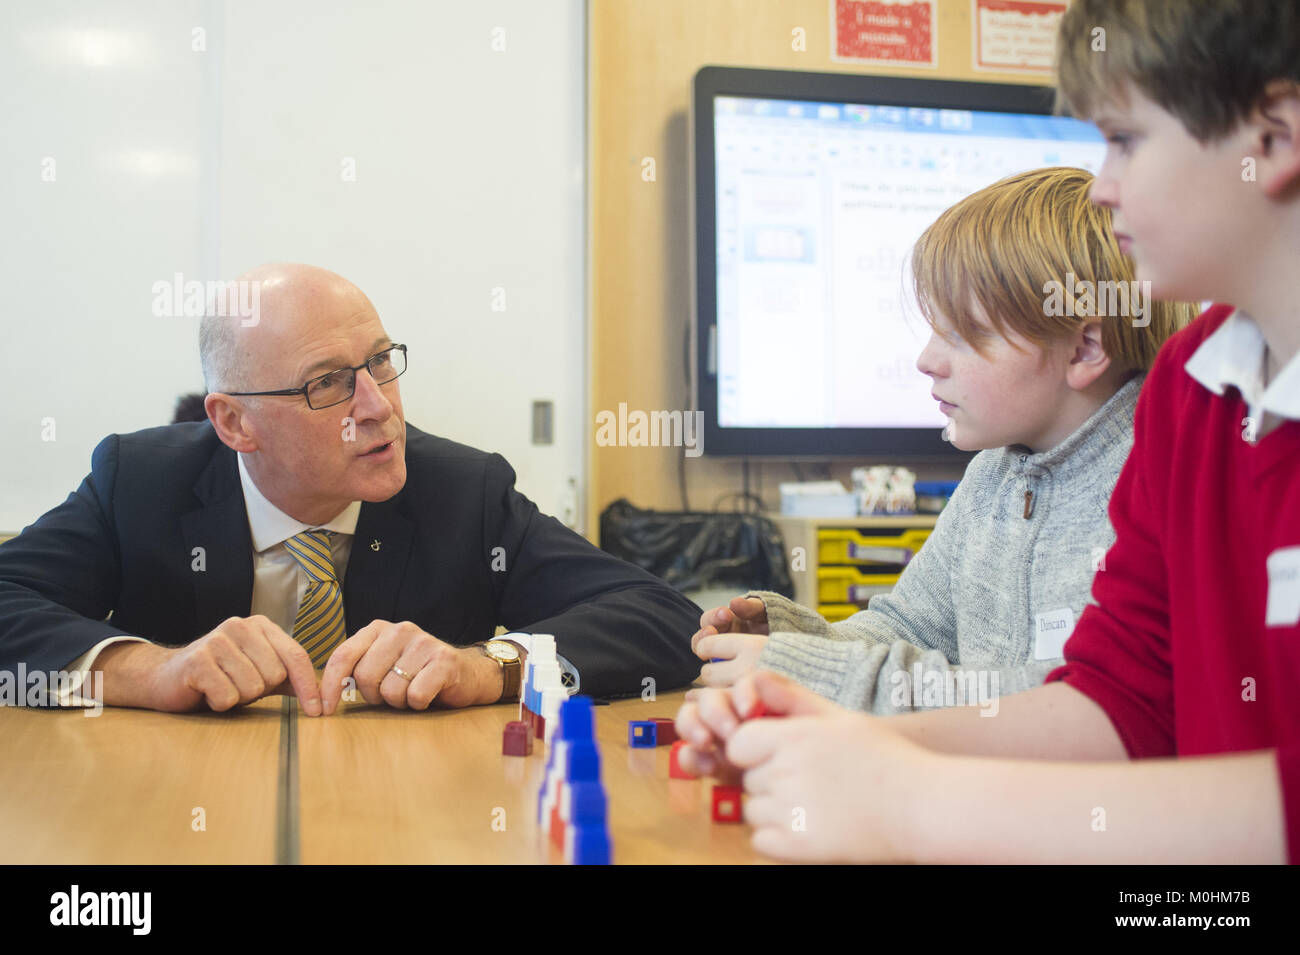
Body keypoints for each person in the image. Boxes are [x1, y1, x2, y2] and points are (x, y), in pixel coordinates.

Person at [675, 0, 1300, 864]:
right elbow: (1121, 704)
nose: (1104, 181)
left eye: (1124, 139)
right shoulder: (1193, 391)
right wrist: (820, 726)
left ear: (1271, 138)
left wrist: (906, 789)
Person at [0, 263, 701, 715]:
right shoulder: (141, 483)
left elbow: (661, 617)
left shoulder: (464, 493)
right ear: (235, 421)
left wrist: (487, 666)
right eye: (328, 382)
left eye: (380, 363)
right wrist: (149, 671)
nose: (379, 406)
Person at [691, 166, 1195, 714]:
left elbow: (1070, 703)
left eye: (960, 334)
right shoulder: (995, 472)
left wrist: (828, 679)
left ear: (1083, 350)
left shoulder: (1163, 481)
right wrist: (797, 645)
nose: (926, 361)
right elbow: (912, 626)